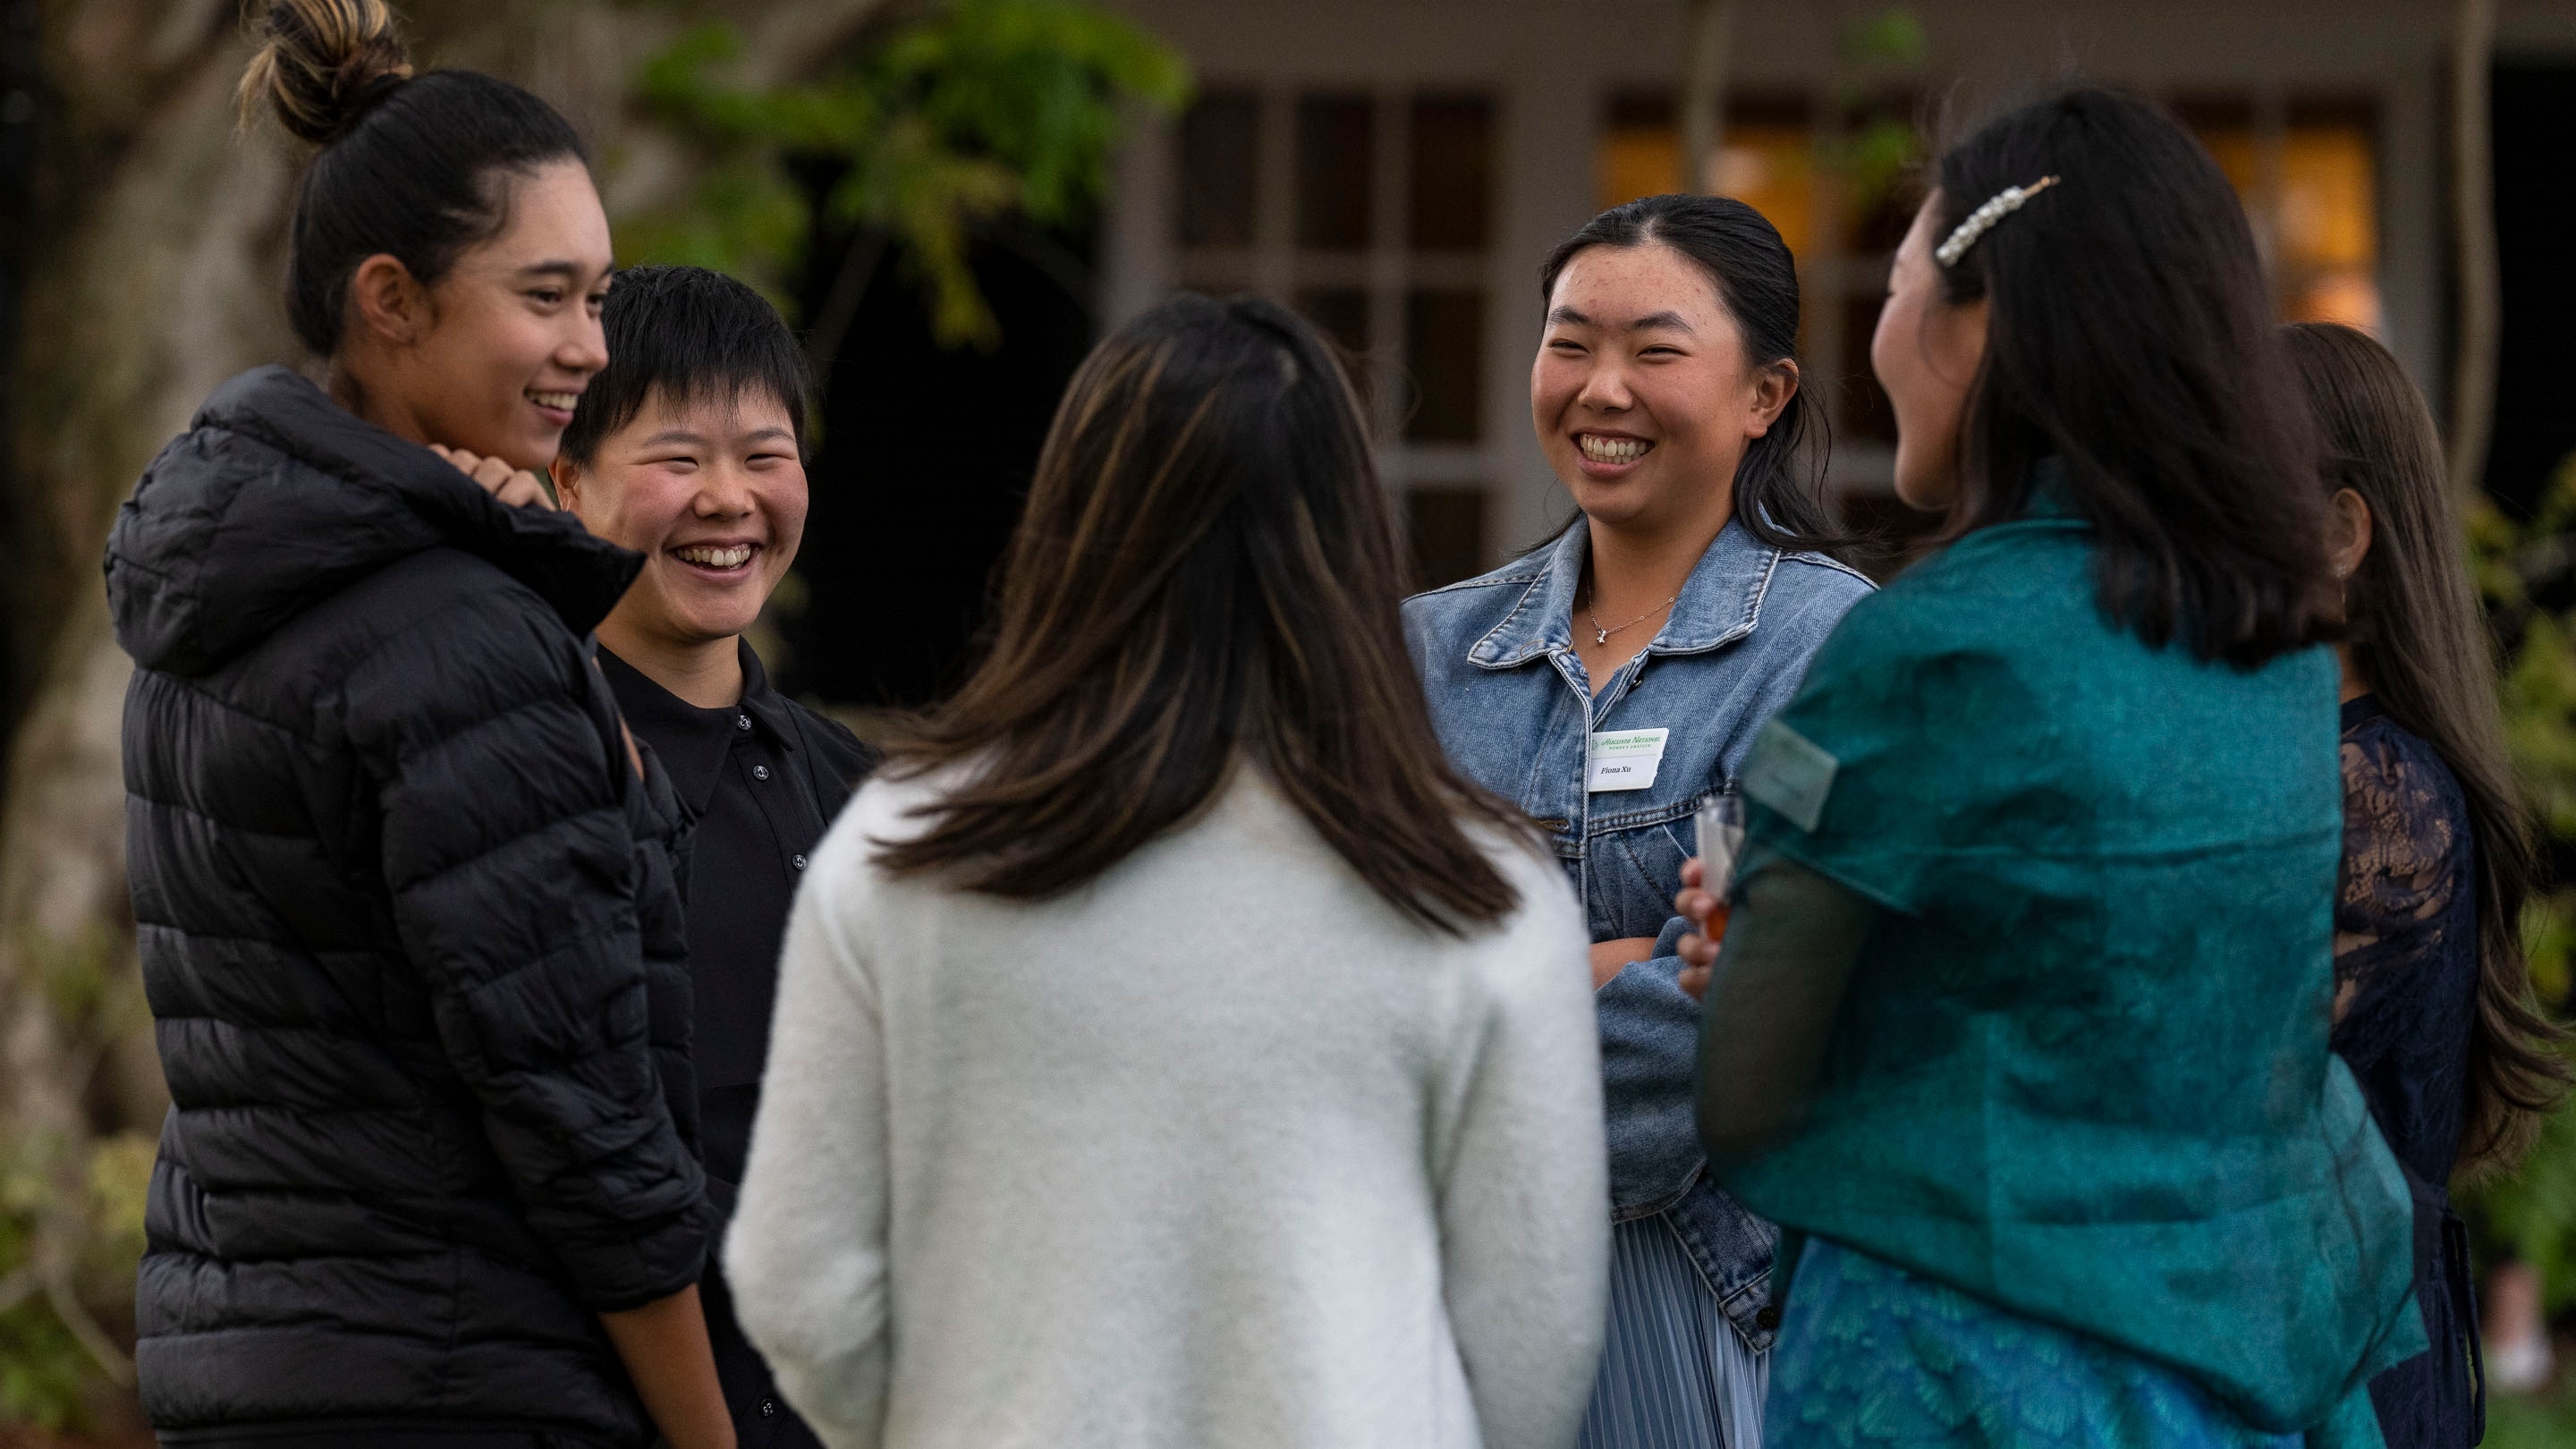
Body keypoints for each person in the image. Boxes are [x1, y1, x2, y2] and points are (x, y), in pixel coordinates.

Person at [724, 294, 1611, 1449]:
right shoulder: (1480, 888)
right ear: (1351, 538)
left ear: (1074, 524)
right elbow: (1536, 1341)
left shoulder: (905, 850)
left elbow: (802, 1286)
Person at [1673, 89, 2422, 1446]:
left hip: (1958, 1366)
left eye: (1898, 281)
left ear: (1981, 324)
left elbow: (1748, 1085)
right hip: (2239, 1367)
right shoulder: (2276, 648)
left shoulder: (1926, 652)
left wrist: (1767, 956)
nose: (1879, 333)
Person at [106, 4, 730, 1445]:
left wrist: (529, 584)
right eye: (548, 296)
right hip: (462, 1380)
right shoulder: (455, 640)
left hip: (246, 1372)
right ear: (391, 299)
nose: (592, 348)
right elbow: (583, 1125)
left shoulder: (225, 590)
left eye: (601, 297)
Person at [1402, 192, 1873, 1449]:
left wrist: (1462, 1033)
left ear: (1764, 395)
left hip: (1712, 1297)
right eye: (1569, 342)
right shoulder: (1430, 650)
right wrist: (1602, 969)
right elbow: (1336, 974)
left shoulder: (1833, 647)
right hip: (1440, 1305)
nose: (1600, 389)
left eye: (1654, 352)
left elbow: (1743, 1025)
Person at [553, 265, 878, 1449]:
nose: (728, 500)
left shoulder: (853, 791)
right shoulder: (537, 773)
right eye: (677, 459)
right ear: (565, 480)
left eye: (764, 454)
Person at [2284, 320, 2570, 1447]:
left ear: (2341, 533)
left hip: (2347, 1371)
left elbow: (2230, 1088)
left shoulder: (2379, 788)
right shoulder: (2310, 762)